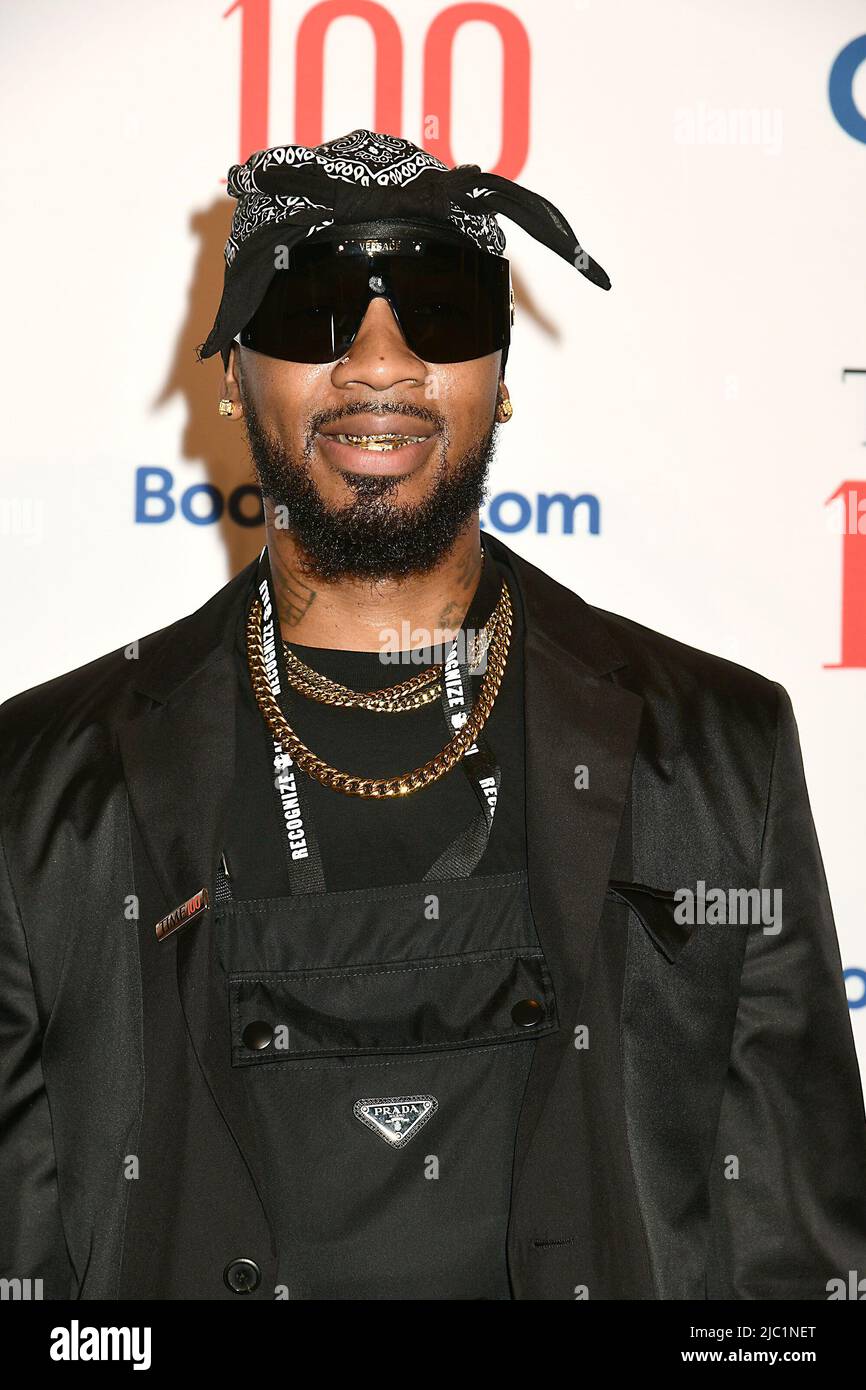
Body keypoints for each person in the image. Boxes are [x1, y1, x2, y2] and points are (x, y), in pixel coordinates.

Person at [1, 128, 864, 1301]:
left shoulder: (715, 751)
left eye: (440, 307)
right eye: (310, 310)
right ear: (228, 368)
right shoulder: (41, 783)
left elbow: (794, 1263)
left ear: (500, 376)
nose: (379, 363)